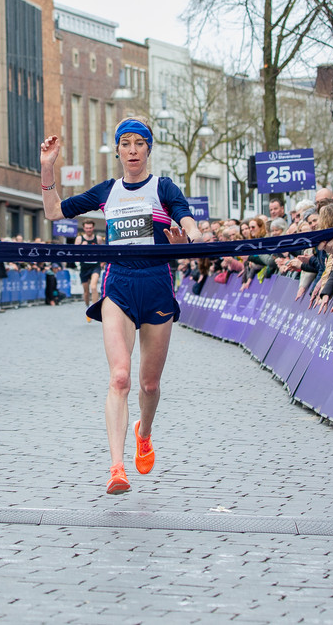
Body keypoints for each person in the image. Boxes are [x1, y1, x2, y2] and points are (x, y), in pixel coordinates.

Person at [39, 117, 200, 496]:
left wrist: (188, 241)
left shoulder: (164, 188)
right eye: (125, 143)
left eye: (138, 144)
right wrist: (47, 168)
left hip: (158, 284)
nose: (132, 150)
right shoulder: (106, 191)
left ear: (148, 149)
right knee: (121, 378)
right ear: (117, 150)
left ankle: (144, 433)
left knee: (149, 382)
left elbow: (191, 226)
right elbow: (53, 212)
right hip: (120, 286)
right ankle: (117, 467)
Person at [75, 219, 105, 306]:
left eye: (90, 228)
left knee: (93, 286)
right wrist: (81, 248)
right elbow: (74, 253)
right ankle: (87, 308)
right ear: (84, 228)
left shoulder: (98, 239)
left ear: (93, 228)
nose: (89, 230)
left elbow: (102, 252)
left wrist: (102, 262)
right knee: (86, 292)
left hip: (95, 266)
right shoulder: (79, 239)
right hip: (84, 266)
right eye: (87, 228)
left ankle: (94, 309)